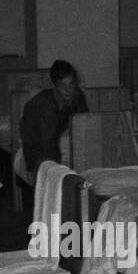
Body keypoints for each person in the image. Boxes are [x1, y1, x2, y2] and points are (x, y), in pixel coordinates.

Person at [17, 59, 89, 188]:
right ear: (54, 85)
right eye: (63, 86)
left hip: (52, 139)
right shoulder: (45, 105)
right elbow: (48, 142)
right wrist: (56, 173)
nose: (68, 90)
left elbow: (84, 124)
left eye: (71, 84)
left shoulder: (77, 97)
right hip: (35, 145)